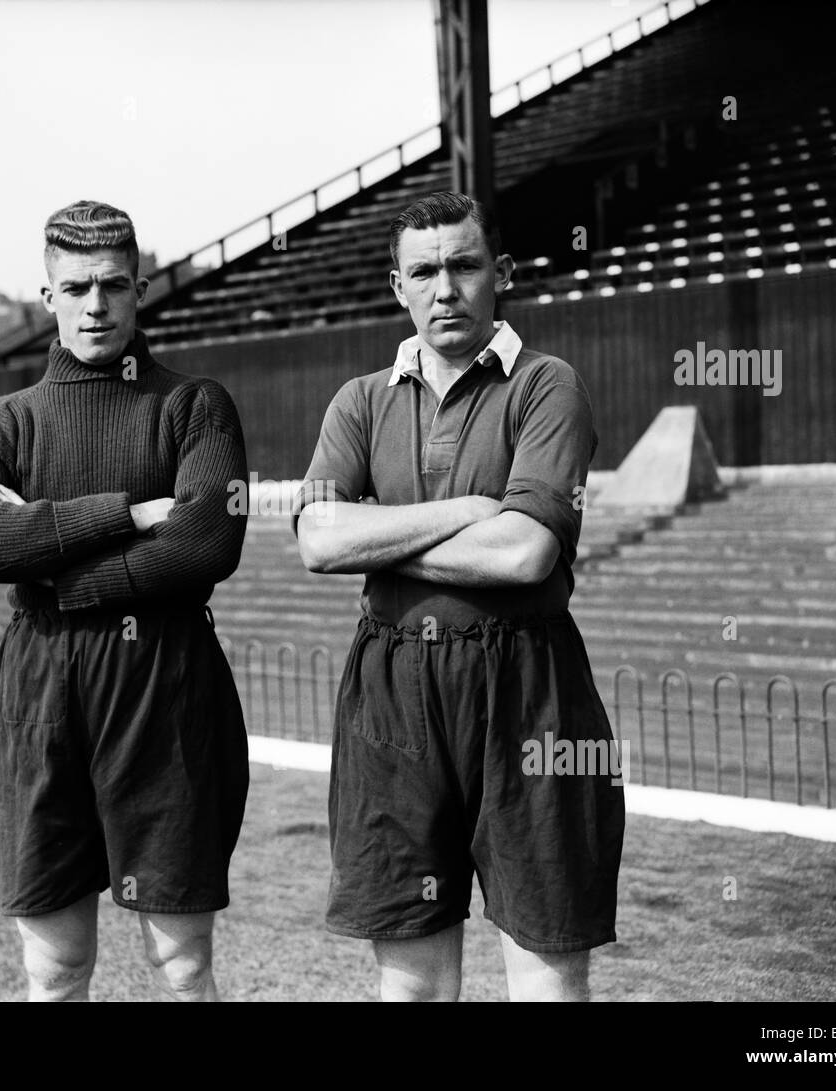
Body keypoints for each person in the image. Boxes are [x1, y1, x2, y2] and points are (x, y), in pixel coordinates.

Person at [293, 191, 625, 1002]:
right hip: (392, 694)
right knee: (411, 987)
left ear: (499, 274)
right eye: (424, 271)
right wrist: (467, 512)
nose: (445, 288)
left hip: (527, 691)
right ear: (396, 286)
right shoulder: (361, 400)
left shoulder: (547, 385)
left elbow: (524, 552)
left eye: (464, 265)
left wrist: (387, 536)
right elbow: (318, 539)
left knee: (545, 978)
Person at [0, 200, 250, 1002]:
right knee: (56, 967)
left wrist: (58, 567)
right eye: (75, 286)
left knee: (182, 964)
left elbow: (208, 543)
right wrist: (123, 512)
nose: (95, 304)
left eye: (114, 285)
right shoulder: (1, 422)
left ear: (140, 289)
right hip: (41, 684)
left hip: (165, 676)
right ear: (46, 297)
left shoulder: (195, 406)